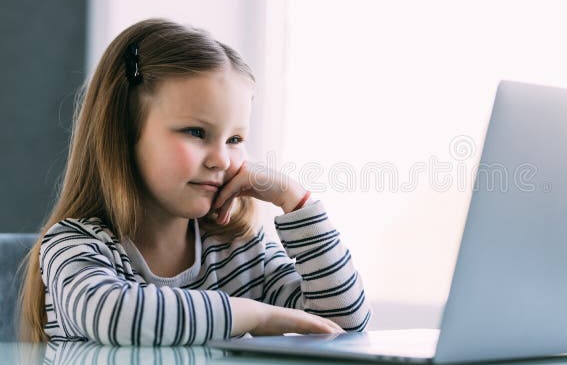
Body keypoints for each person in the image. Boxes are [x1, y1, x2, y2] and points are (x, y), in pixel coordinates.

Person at [16, 18, 371, 345]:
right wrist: (256, 315)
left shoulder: (239, 251)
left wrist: (294, 199)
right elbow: (116, 316)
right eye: (196, 132)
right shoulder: (75, 245)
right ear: (124, 133)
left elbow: (343, 324)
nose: (222, 160)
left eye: (235, 139)